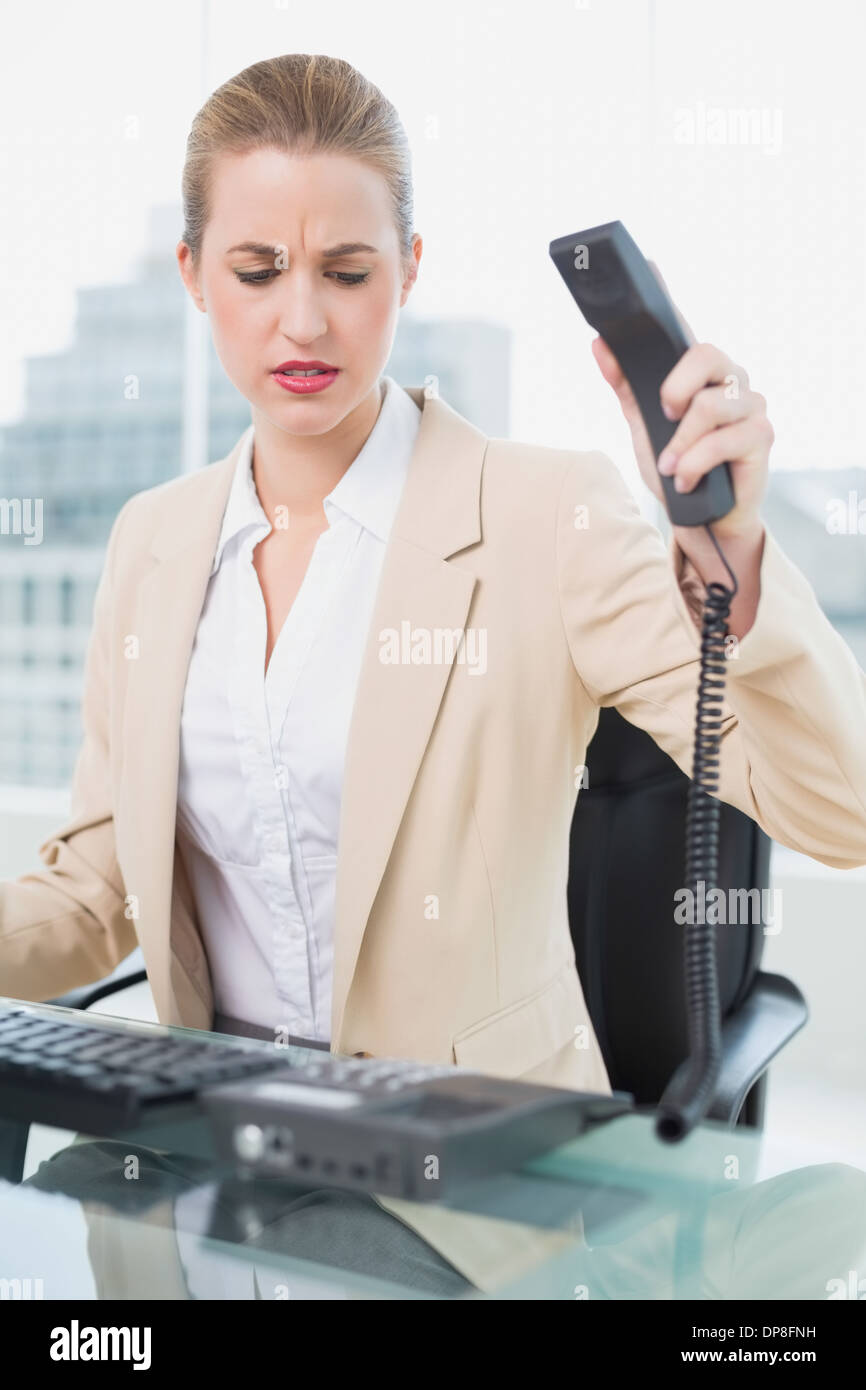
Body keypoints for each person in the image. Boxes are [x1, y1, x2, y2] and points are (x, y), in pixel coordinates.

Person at [3, 51, 866, 1291]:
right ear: (193, 277)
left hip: (474, 1210)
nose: (303, 319)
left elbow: (840, 809)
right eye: (256, 271)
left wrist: (732, 558)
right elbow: (92, 889)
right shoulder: (151, 541)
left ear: (410, 268)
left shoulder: (541, 513)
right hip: (199, 1182)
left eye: (347, 273)